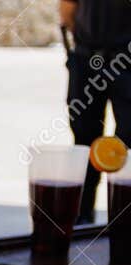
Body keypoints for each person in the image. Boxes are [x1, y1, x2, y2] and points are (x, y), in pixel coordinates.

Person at [62, 0, 131, 219]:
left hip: (127, 61)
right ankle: (81, 217)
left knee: (128, 141)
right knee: (83, 140)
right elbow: (67, 8)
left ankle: (122, 218)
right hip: (86, 59)